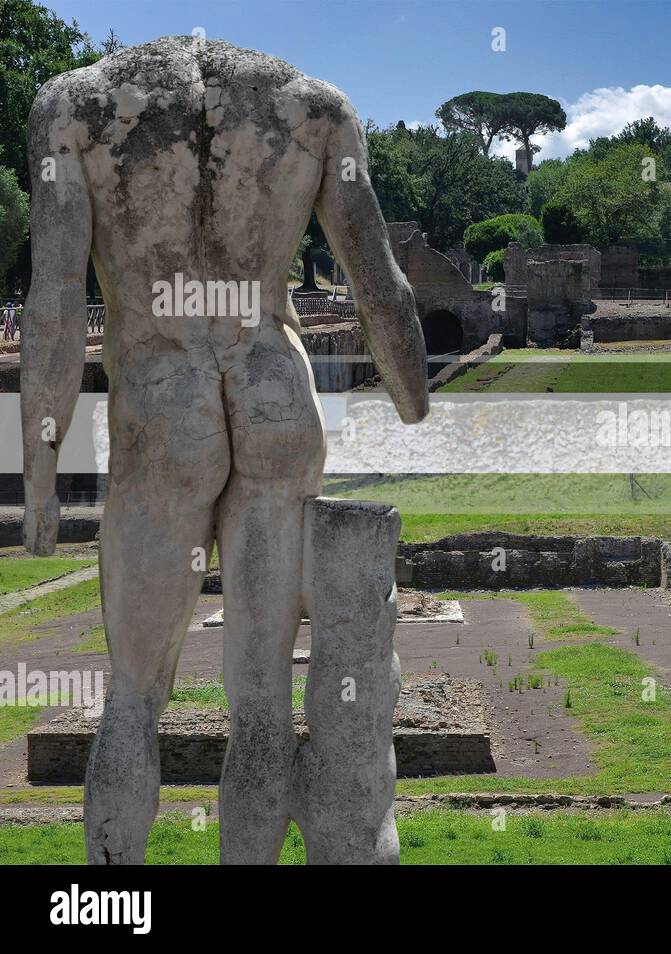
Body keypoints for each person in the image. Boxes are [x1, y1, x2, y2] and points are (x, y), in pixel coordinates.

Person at [22, 35, 429, 864]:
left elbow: (55, 308)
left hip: (162, 407)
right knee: (262, 706)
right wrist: (413, 400)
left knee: (133, 698)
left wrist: (41, 475)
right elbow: (379, 283)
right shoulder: (314, 107)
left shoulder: (77, 107)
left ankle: (109, 900)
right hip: (273, 391)